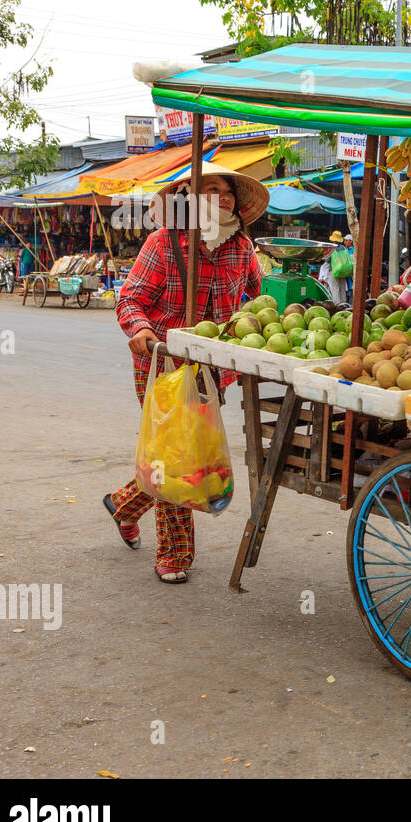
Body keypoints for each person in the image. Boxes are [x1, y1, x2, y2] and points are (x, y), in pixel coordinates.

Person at [103, 163, 266, 584]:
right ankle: (175, 555)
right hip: (161, 364)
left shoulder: (242, 248)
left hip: (210, 372)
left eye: (228, 190)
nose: (224, 196)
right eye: (211, 189)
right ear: (187, 202)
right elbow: (130, 299)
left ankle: (124, 504)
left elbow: (255, 297)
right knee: (176, 457)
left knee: (182, 453)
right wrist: (139, 328)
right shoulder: (163, 243)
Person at [318, 230, 342, 302]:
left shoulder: (333, 248)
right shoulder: (343, 248)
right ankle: (344, 304)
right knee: (341, 289)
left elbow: (327, 260)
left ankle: (337, 304)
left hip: (333, 271)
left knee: (334, 289)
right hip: (342, 271)